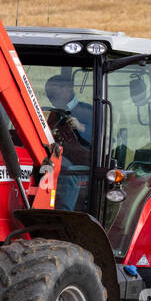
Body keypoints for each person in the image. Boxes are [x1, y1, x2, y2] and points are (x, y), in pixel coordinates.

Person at [44, 74, 93, 210]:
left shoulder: (88, 111)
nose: (49, 96)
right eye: (48, 93)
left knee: (64, 170)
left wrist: (81, 127)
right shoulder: (53, 114)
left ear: (67, 89)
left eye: (52, 92)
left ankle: (63, 213)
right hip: (56, 160)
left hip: (81, 164)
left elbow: (102, 137)